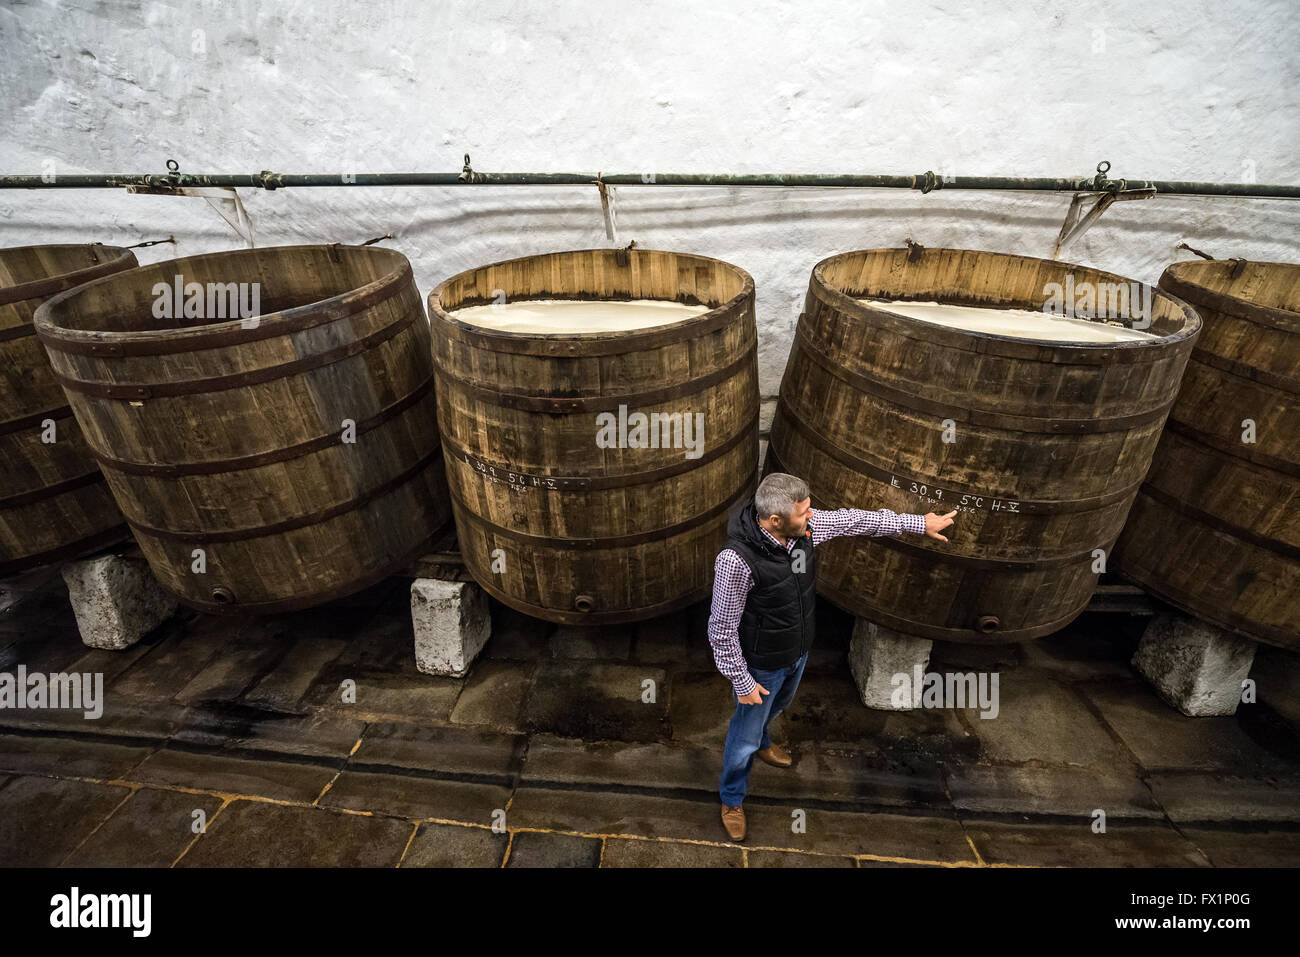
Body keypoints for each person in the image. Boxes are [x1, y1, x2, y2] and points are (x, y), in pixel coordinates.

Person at [709, 471, 956, 841]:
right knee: (742, 736)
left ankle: (762, 740)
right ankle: (731, 798)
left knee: (778, 707)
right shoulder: (736, 562)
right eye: (804, 512)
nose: (813, 515)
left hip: (797, 650)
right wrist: (742, 681)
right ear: (775, 520)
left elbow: (857, 520)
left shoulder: (805, 529)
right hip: (761, 665)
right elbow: (721, 629)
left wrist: (918, 523)